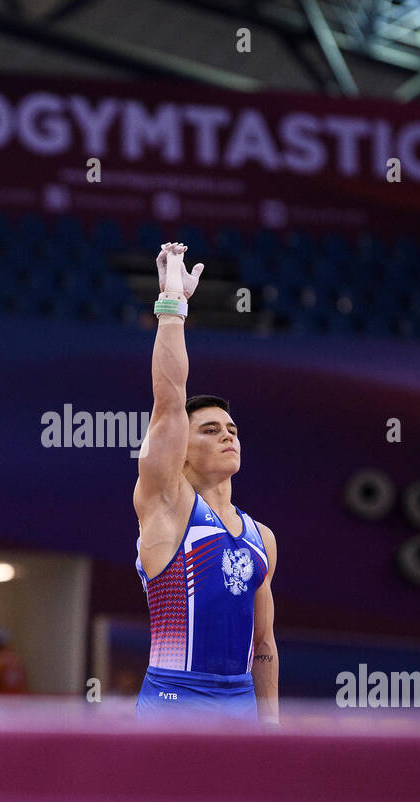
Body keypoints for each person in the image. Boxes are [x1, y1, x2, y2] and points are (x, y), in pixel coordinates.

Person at [132, 242, 279, 726]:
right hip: (173, 702)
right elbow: (169, 400)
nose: (227, 436)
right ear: (182, 448)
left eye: (232, 430)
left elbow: (263, 645)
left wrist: (272, 724)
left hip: (239, 706)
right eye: (210, 430)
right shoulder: (168, 505)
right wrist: (172, 309)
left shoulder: (263, 540)